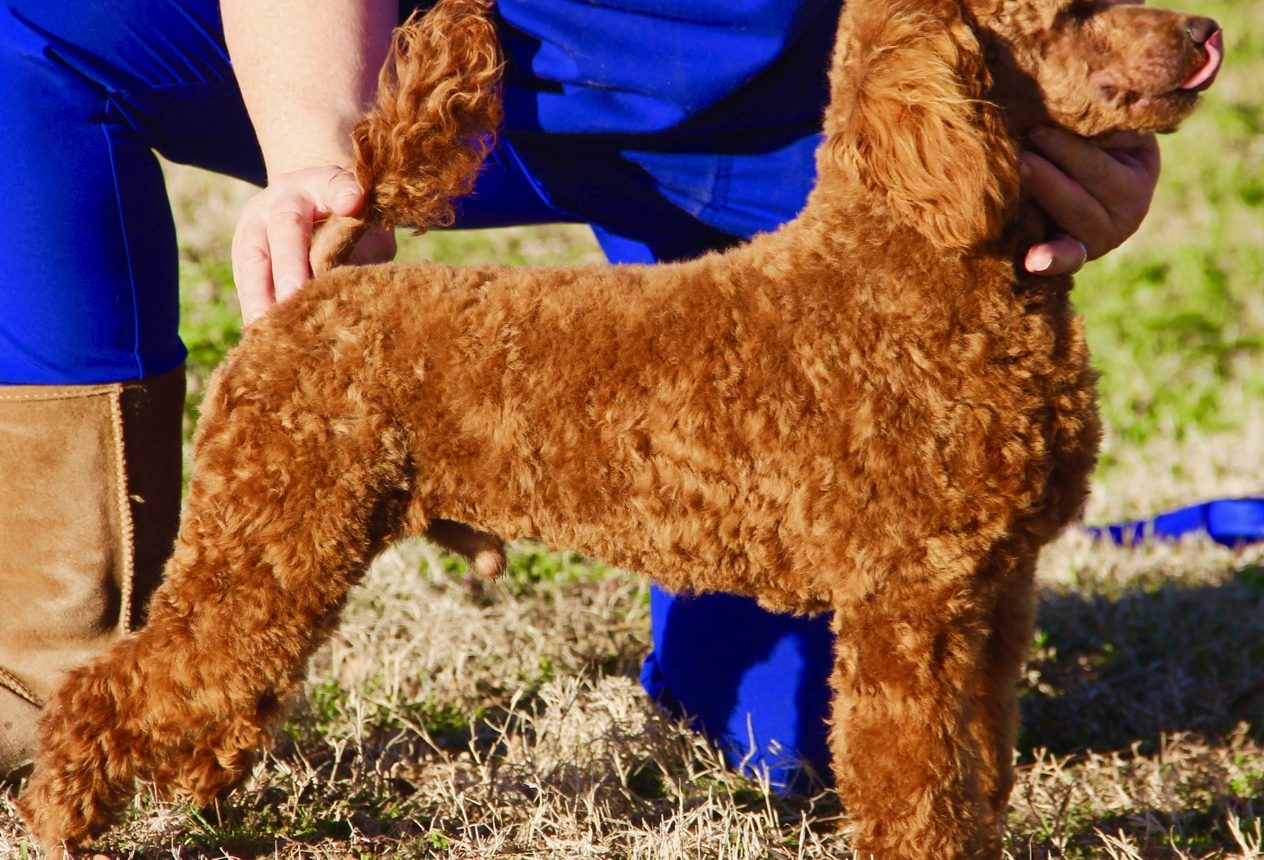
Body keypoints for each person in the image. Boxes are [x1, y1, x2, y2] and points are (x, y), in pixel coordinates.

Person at [0, 0, 1161, 783]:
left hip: (785, 116)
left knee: (773, 746)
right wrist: (320, 151)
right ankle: (50, 680)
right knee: (35, 32)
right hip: (476, 53)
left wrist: (1095, 123)